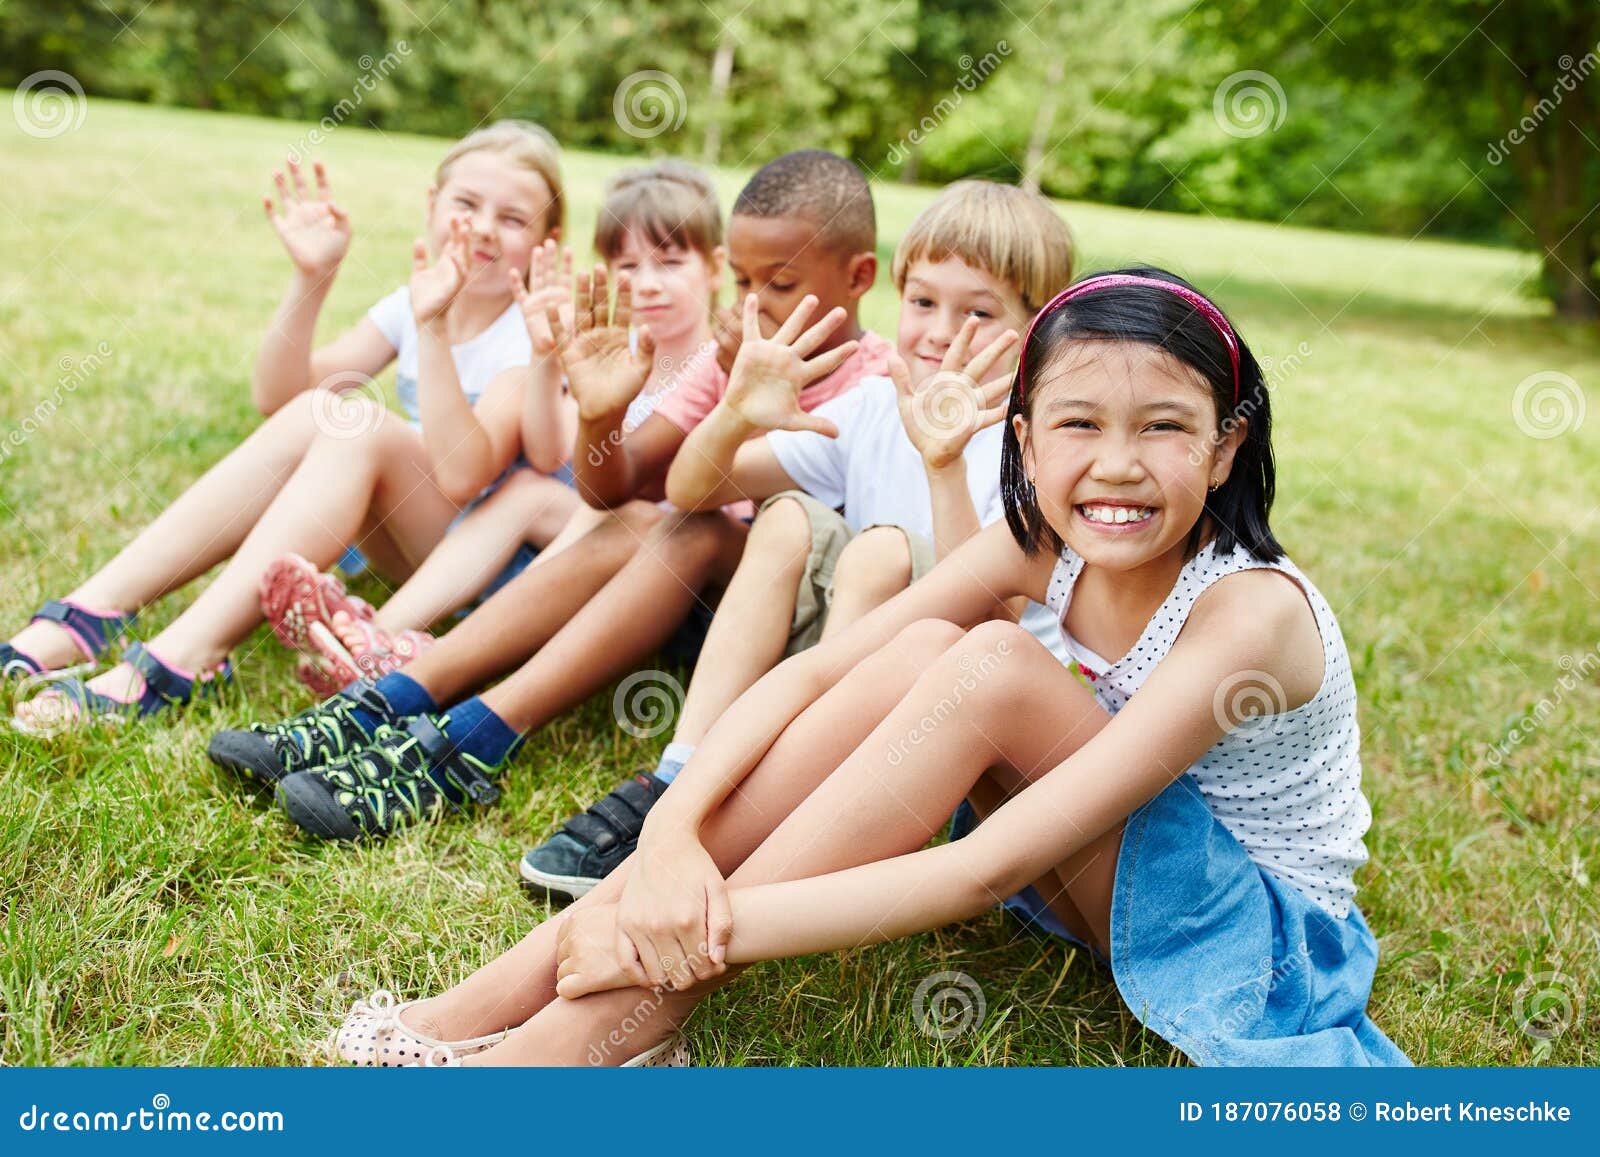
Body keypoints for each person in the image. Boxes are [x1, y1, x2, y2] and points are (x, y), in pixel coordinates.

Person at [331, 268, 1408, 1068]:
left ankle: (611, 1022)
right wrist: (665, 842)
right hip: (1102, 875)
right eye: (1080, 423)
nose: (1117, 463)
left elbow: (975, 874)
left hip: (1255, 945)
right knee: (930, 643)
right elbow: (813, 676)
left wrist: (680, 932)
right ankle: (495, 997)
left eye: (1164, 428)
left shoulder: (1246, 613)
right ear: (1023, 443)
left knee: (988, 662)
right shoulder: (1045, 540)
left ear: (1224, 447)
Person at [210, 151, 893, 844]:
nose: (754, 304)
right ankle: (386, 700)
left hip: (797, 629)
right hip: (692, 606)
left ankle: (467, 740)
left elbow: (698, 489)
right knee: (638, 517)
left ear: (859, 275)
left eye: (779, 283)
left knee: (696, 527)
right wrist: (599, 414)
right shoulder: (732, 354)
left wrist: (733, 405)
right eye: (743, 281)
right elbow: (613, 485)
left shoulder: (876, 383)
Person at [521, 179, 1076, 900]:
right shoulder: (877, 403)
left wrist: (943, 465)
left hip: (953, 707)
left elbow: (989, 617)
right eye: (923, 303)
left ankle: (801, 807)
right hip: (850, 656)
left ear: (1036, 327)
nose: (940, 330)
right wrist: (731, 414)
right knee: (784, 516)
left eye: (978, 311)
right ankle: (679, 776)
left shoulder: (1042, 440)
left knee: (881, 550)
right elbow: (691, 493)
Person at [6, 121, 573, 730]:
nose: (483, 227)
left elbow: (464, 476)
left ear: (548, 241)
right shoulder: (414, 302)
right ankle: (92, 612)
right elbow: (280, 398)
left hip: (488, 570)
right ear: (432, 206)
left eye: (513, 219)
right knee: (319, 409)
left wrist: (431, 330)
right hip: (423, 536)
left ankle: (183, 657)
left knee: (359, 425)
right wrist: (313, 280)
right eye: (465, 204)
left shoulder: (530, 338)